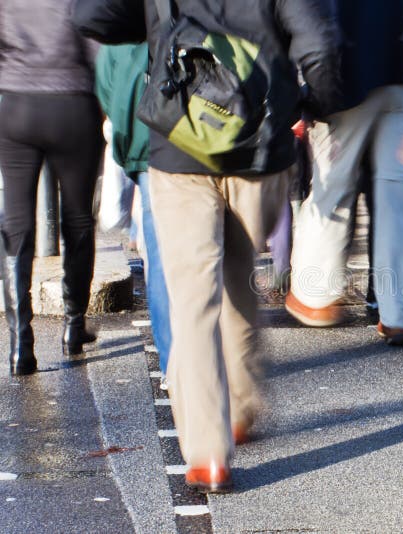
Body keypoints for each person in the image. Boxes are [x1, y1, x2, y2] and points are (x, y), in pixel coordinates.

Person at [73, 0, 343, 492]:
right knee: (237, 277)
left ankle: (208, 452)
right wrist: (313, 105)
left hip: (179, 146)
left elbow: (91, 17)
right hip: (259, 146)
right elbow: (320, 47)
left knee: (192, 297)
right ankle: (239, 406)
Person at [286, 0, 403, 347]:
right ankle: (397, 315)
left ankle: (316, 298)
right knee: (399, 196)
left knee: (334, 184)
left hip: (347, 73)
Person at [0, 0, 104, 375]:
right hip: (72, 103)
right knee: (77, 218)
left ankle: (20, 342)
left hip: (15, 105)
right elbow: (98, 48)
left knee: (16, 224)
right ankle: (74, 325)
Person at [94, 43, 172, 385]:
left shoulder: (124, 29)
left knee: (160, 261)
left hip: (147, 147)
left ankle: (174, 363)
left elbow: (109, 92)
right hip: (204, 136)